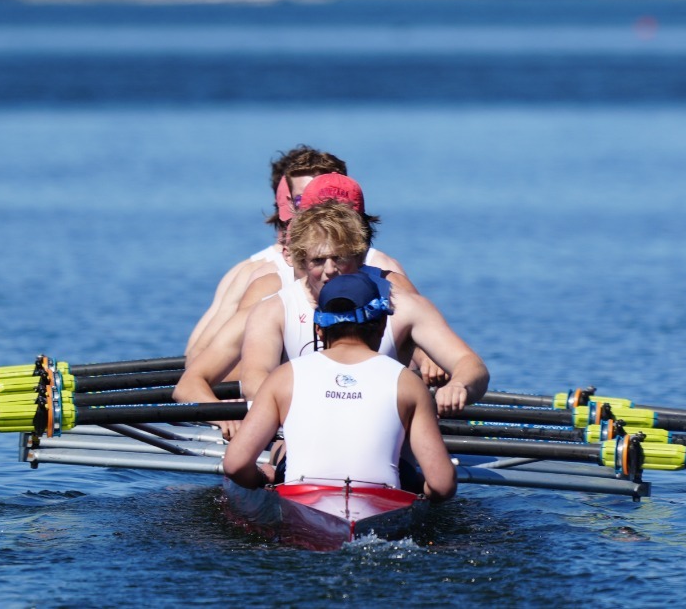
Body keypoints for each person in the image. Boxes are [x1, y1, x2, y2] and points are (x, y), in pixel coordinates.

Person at [223, 199, 488, 416]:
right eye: (318, 260)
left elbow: (470, 365)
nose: (329, 271)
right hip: (300, 430)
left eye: (339, 258)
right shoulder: (273, 310)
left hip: (386, 435)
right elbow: (255, 381)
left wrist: (458, 385)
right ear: (301, 261)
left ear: (359, 256)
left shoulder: (401, 305)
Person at [221, 272, 457, 502]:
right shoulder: (409, 383)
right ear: (382, 324)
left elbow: (235, 464)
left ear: (319, 329)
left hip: (300, 500)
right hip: (383, 500)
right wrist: (418, 490)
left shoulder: (283, 377)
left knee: (280, 452)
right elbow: (442, 484)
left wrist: (263, 478)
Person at [184, 147, 406, 358]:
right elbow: (198, 356)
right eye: (305, 199)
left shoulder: (385, 270)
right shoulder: (259, 277)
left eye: (332, 199)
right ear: (288, 203)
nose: (325, 210)